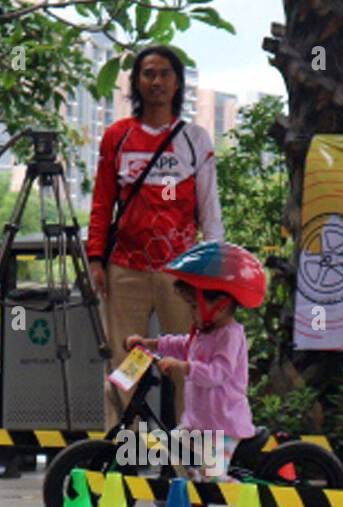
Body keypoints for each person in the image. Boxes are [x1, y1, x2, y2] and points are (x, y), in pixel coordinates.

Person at [87, 45, 224, 428]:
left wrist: (213, 269)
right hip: (124, 271)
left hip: (181, 275)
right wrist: (96, 259)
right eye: (148, 73)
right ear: (136, 83)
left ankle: (191, 459)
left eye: (165, 73)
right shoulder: (117, 136)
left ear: (178, 82)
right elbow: (102, 203)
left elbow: (210, 208)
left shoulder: (196, 139)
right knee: (126, 364)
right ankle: (120, 454)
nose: (156, 81)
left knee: (188, 364)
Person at [123, 241, 279, 507]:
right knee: (175, 449)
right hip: (198, 422)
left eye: (194, 306)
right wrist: (151, 343)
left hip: (223, 425)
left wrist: (185, 368)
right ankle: (197, 503)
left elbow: (218, 373)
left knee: (214, 475)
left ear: (219, 305)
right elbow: (182, 344)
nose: (191, 313)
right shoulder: (204, 332)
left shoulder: (230, 335)